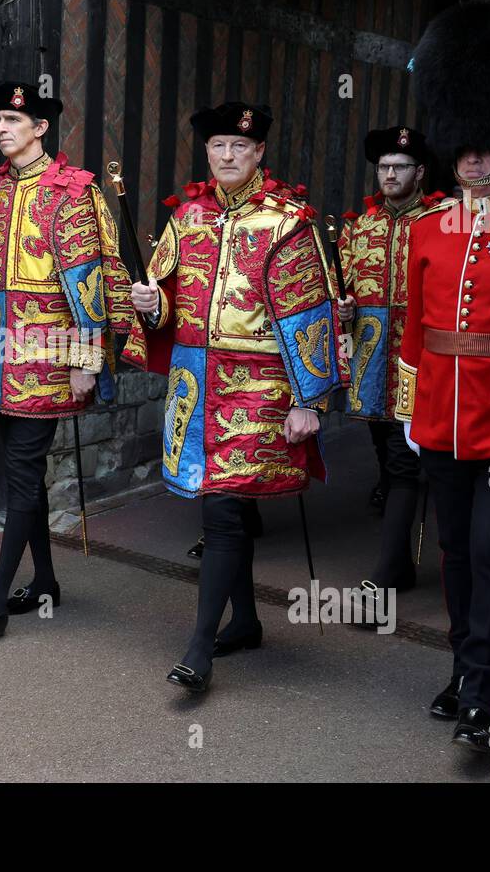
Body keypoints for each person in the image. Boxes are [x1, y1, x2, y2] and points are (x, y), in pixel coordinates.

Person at [125, 101, 346, 693]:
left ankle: (201, 648)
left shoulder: (287, 222)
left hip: (263, 386)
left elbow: (309, 316)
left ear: (259, 154)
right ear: (207, 152)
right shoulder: (187, 217)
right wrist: (153, 308)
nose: (227, 156)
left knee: (221, 507)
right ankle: (244, 620)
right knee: (230, 503)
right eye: (218, 146)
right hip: (198, 386)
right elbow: (166, 304)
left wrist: (310, 401)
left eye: (239, 148)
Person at [0, 79, 138, 636]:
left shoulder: (74, 191)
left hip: (50, 354)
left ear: (41, 128)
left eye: (14, 121)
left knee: (22, 473)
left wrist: (87, 359)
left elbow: (90, 282)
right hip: (1, 354)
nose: (3, 129)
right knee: (24, 475)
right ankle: (44, 578)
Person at [396, 1, 490, 753]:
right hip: (440, 419)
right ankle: (465, 668)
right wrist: (408, 408)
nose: (474, 162)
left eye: (487, 152)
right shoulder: (425, 227)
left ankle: (484, 690)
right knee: (454, 552)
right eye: (464, 152)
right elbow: (415, 329)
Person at [336, 127, 445, 597]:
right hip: (373, 357)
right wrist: (341, 309)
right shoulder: (360, 227)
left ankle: (391, 567)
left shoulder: (443, 220)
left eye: (399, 167)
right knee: (385, 443)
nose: (390, 174)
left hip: (420, 357)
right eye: (384, 167)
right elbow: (342, 287)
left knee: (406, 456)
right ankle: (396, 555)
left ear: (419, 172)